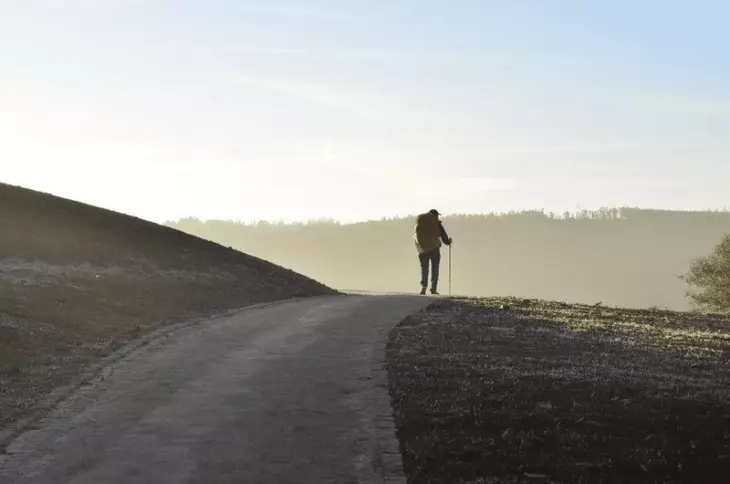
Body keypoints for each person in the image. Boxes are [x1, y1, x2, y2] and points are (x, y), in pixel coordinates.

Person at [414, 209, 452, 295]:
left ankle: (423, 287)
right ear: (435, 215)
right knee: (435, 268)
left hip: (422, 249)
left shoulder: (420, 221)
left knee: (424, 268)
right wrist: (448, 242)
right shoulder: (435, 223)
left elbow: (416, 234)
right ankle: (433, 288)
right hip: (434, 249)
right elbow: (443, 236)